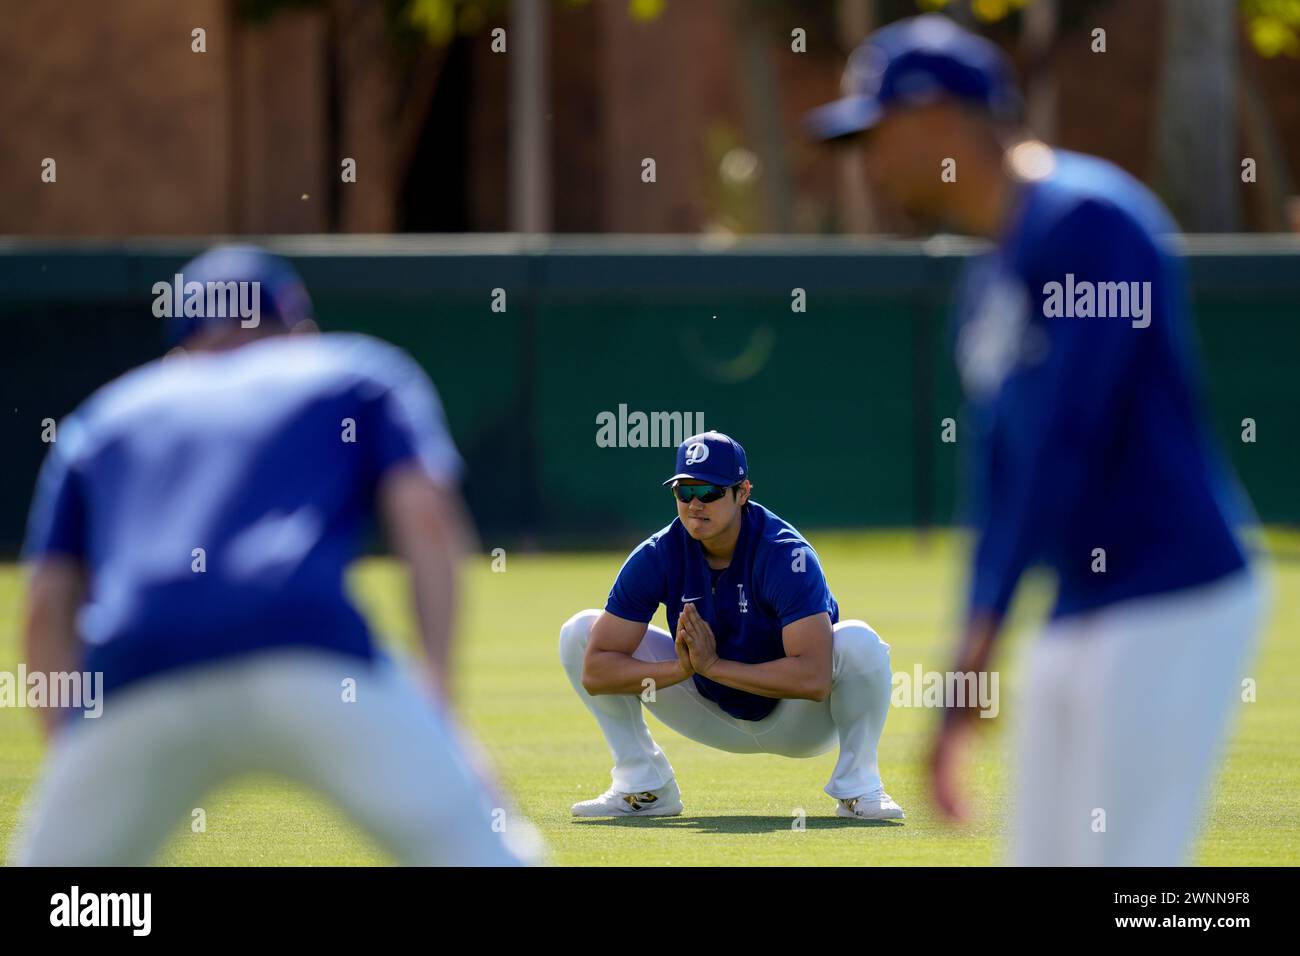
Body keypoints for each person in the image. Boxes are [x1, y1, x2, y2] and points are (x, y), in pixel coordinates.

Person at [808, 15, 1265, 864]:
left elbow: (1069, 434)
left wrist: (982, 642)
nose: (869, 160)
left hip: (1176, 594)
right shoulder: (985, 284)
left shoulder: (1090, 220)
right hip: (1083, 604)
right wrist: (971, 654)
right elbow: (1000, 476)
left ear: (939, 120)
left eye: (879, 132)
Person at [12, 244, 538, 866]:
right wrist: (438, 702)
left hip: (139, 669)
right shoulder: (356, 370)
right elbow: (426, 518)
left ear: (179, 342)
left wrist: (78, 754)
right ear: (299, 328)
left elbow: (45, 605)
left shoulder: (103, 418)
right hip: (312, 652)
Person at [560, 431, 903, 820]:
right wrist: (682, 669)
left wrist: (713, 666)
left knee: (858, 642)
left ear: (742, 492)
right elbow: (596, 670)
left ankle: (858, 789)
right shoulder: (659, 553)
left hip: (797, 720)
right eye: (684, 491)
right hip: (706, 708)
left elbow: (814, 678)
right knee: (580, 633)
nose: (694, 504)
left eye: (709, 491)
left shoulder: (786, 555)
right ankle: (645, 787)